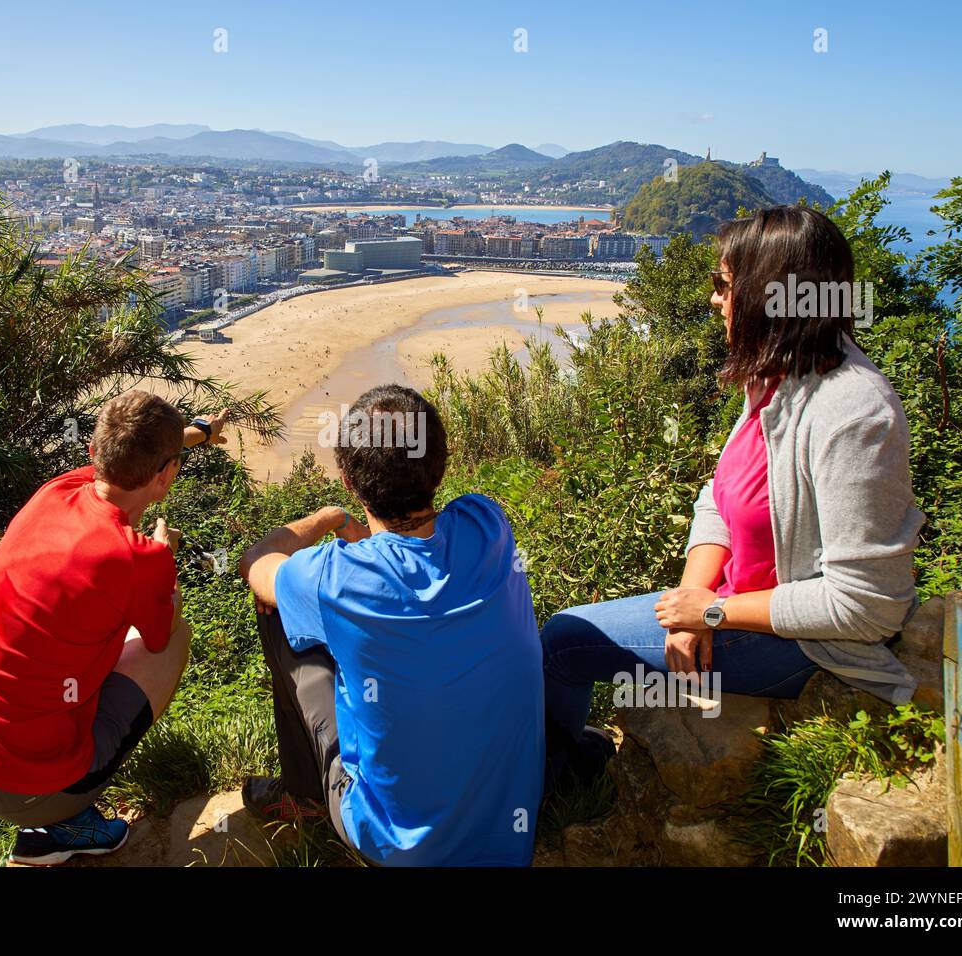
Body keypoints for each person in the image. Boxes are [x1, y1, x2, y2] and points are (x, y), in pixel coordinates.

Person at [542, 205, 925, 765]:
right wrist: (688, 606)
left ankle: (560, 776)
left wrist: (714, 614)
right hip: (734, 603)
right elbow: (718, 500)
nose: (714, 300)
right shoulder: (779, 378)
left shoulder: (854, 413)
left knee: (562, 643)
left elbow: (867, 606)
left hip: (808, 642)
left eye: (724, 285)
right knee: (570, 635)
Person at [238, 384, 544, 866]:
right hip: (509, 829)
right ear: (440, 467)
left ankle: (303, 796)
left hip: (396, 843)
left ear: (348, 479)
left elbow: (255, 564)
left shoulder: (334, 577)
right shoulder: (488, 523)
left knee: (275, 610)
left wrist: (327, 518)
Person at [0, 393, 228, 865]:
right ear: (166, 475)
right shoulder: (137, 558)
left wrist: (196, 433)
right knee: (173, 639)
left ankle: (49, 797)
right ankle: (63, 825)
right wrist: (162, 562)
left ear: (93, 452)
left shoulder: (56, 492)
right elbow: (158, 635)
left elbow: (129, 462)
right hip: (20, 790)